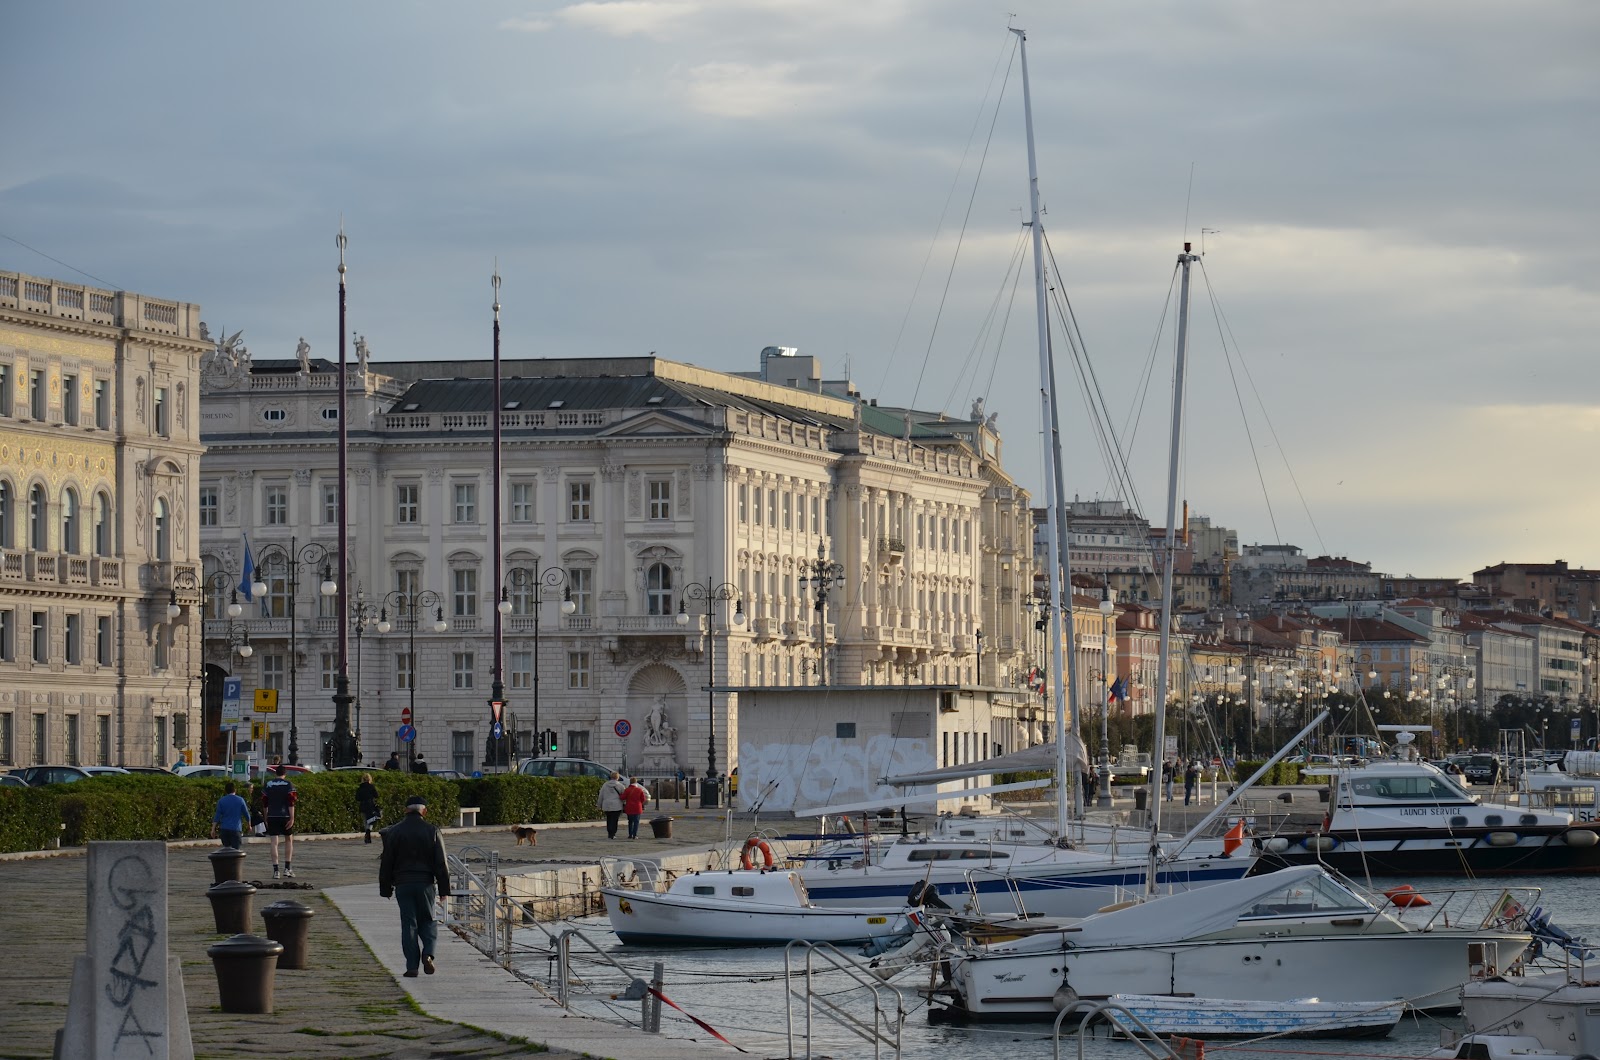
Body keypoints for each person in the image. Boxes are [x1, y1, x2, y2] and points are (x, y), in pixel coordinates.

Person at [378, 795, 451, 978]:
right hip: (425, 883)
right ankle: (428, 953)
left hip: (403, 884)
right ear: (424, 811)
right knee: (427, 920)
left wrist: (385, 888)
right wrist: (444, 889)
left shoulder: (394, 832)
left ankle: (412, 966)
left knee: (408, 924)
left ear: (406, 810)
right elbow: (441, 862)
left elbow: (386, 862)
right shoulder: (432, 830)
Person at [263, 762, 297, 878]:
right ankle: (287, 868)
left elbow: (265, 802)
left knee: (274, 842)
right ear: (285, 774)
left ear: (276, 773)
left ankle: (275, 870)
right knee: (288, 840)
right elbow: (291, 802)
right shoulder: (289, 785)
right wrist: (292, 817)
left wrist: (266, 816)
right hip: (285, 815)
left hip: (272, 815)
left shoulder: (268, 784)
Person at [210, 781, 251, 849]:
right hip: (236, 829)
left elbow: (217, 816)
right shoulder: (240, 800)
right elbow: (246, 814)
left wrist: (213, 829)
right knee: (235, 851)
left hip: (224, 829)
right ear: (235, 790)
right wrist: (249, 825)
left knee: (227, 850)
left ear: (225, 791)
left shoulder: (221, 801)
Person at [597, 771, 627, 839]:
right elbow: (624, 796)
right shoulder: (620, 785)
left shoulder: (605, 785)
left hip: (607, 804)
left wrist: (599, 804)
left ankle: (609, 832)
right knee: (615, 820)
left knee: (609, 819)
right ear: (618, 777)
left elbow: (601, 795)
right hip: (617, 805)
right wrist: (624, 803)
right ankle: (613, 833)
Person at [357, 773, 381, 844]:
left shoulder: (360, 787)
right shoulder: (371, 787)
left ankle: (367, 832)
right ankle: (368, 832)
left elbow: (357, 798)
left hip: (363, 805)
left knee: (365, 820)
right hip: (370, 805)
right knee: (371, 820)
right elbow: (376, 795)